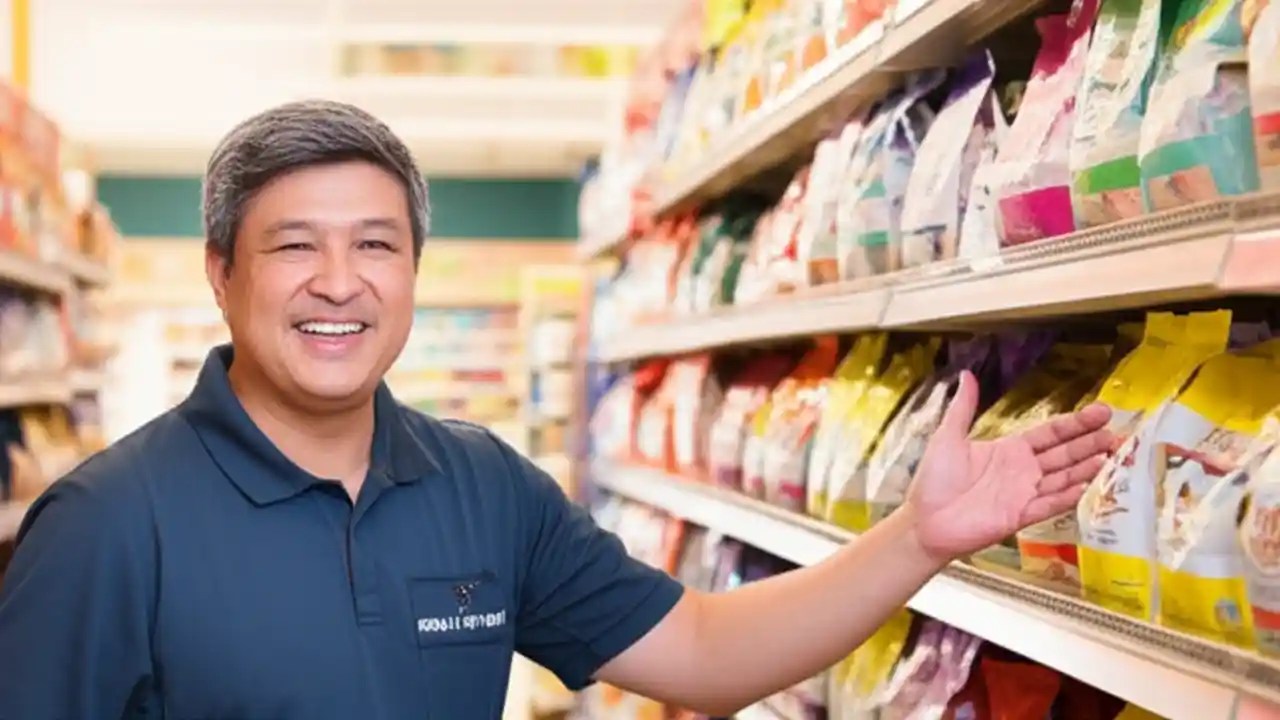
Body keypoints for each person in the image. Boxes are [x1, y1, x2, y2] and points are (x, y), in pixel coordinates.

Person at [0, 100, 1113, 719]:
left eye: (375, 246)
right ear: (220, 274)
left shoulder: (478, 487)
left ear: (413, 273)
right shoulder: (109, 523)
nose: (337, 282)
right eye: (294, 246)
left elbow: (704, 650)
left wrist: (914, 538)